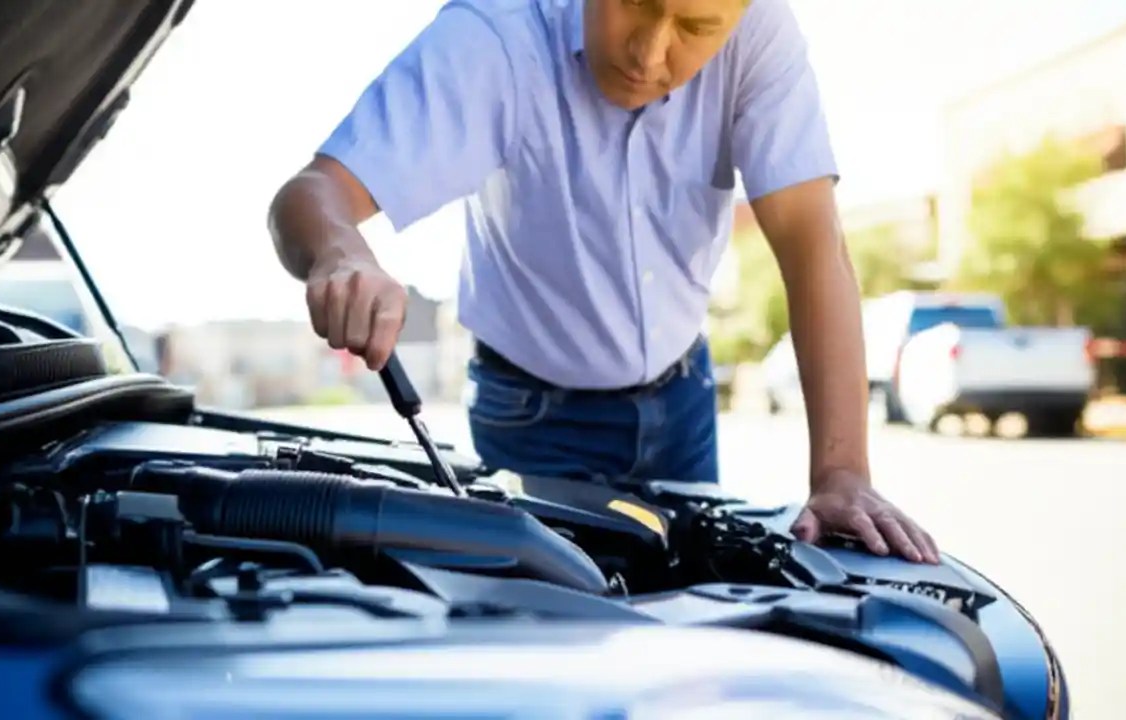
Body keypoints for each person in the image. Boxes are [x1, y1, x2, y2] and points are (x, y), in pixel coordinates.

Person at [268, 0, 940, 564]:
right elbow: (311, 194)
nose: (650, 53)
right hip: (533, 415)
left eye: (695, 28)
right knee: (551, 647)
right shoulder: (495, 35)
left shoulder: (760, 32)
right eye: (636, 2)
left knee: (684, 640)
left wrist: (843, 472)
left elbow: (813, 248)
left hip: (683, 401)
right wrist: (339, 252)